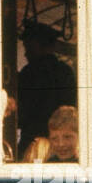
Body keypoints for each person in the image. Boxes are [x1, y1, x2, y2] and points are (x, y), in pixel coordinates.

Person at [15, 22, 75, 157]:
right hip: (61, 142)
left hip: (33, 143)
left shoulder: (29, 73)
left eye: (28, 47)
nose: (25, 53)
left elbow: (22, 114)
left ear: (38, 45)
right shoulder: (65, 72)